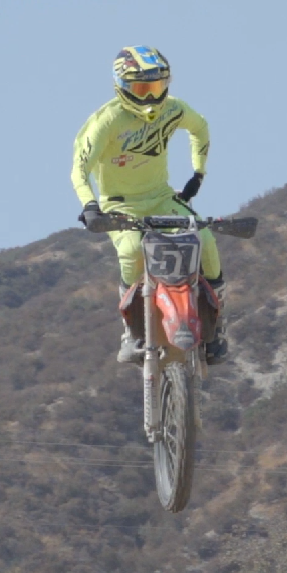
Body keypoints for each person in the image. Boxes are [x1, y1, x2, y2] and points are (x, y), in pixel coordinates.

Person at [72, 46, 228, 365]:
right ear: (121, 86)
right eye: (140, 89)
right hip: (121, 206)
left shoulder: (174, 109)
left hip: (161, 198)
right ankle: (131, 332)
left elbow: (200, 129)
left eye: (155, 88)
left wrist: (198, 173)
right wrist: (90, 205)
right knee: (130, 251)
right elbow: (79, 167)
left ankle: (216, 330)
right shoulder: (107, 121)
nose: (149, 98)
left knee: (207, 241)